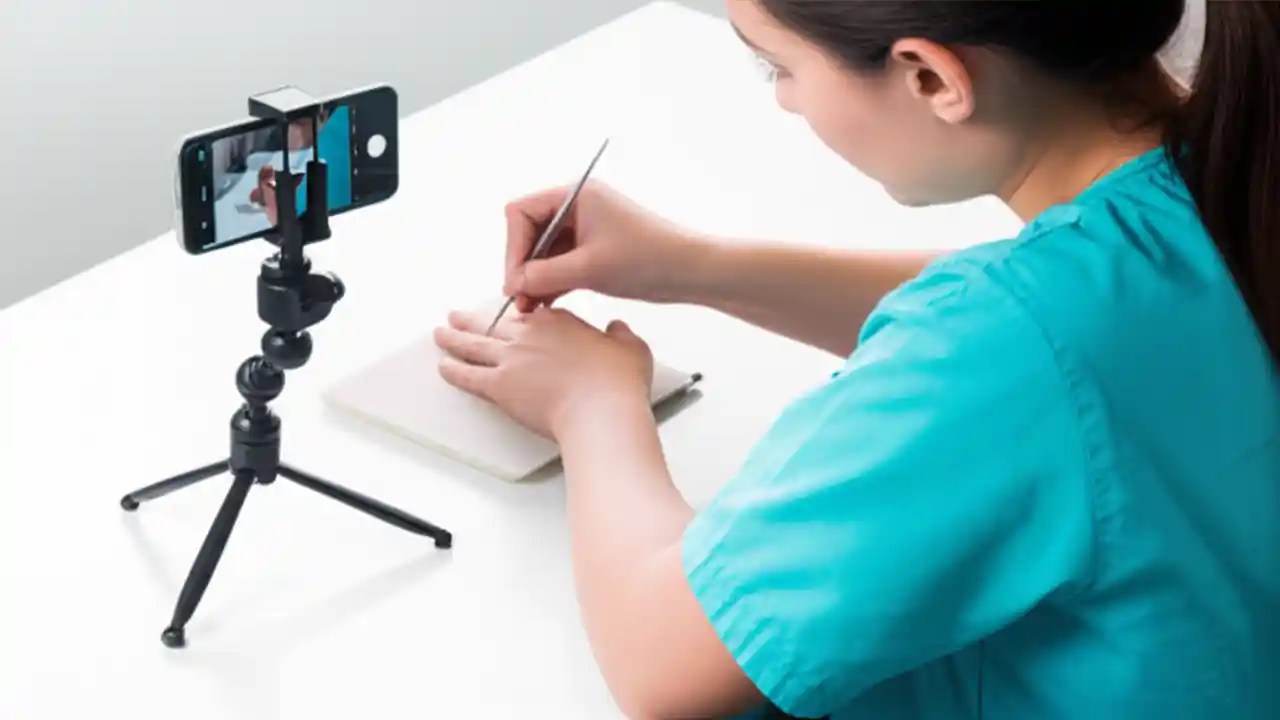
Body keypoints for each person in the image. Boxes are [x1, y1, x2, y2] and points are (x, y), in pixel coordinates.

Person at [434, 2, 1279, 718]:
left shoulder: (1003, 347)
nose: (787, 104)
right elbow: (1058, 331)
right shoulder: (1237, 166)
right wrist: (695, 266)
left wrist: (592, 404)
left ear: (931, 79)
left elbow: (662, 665)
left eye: (780, 70)